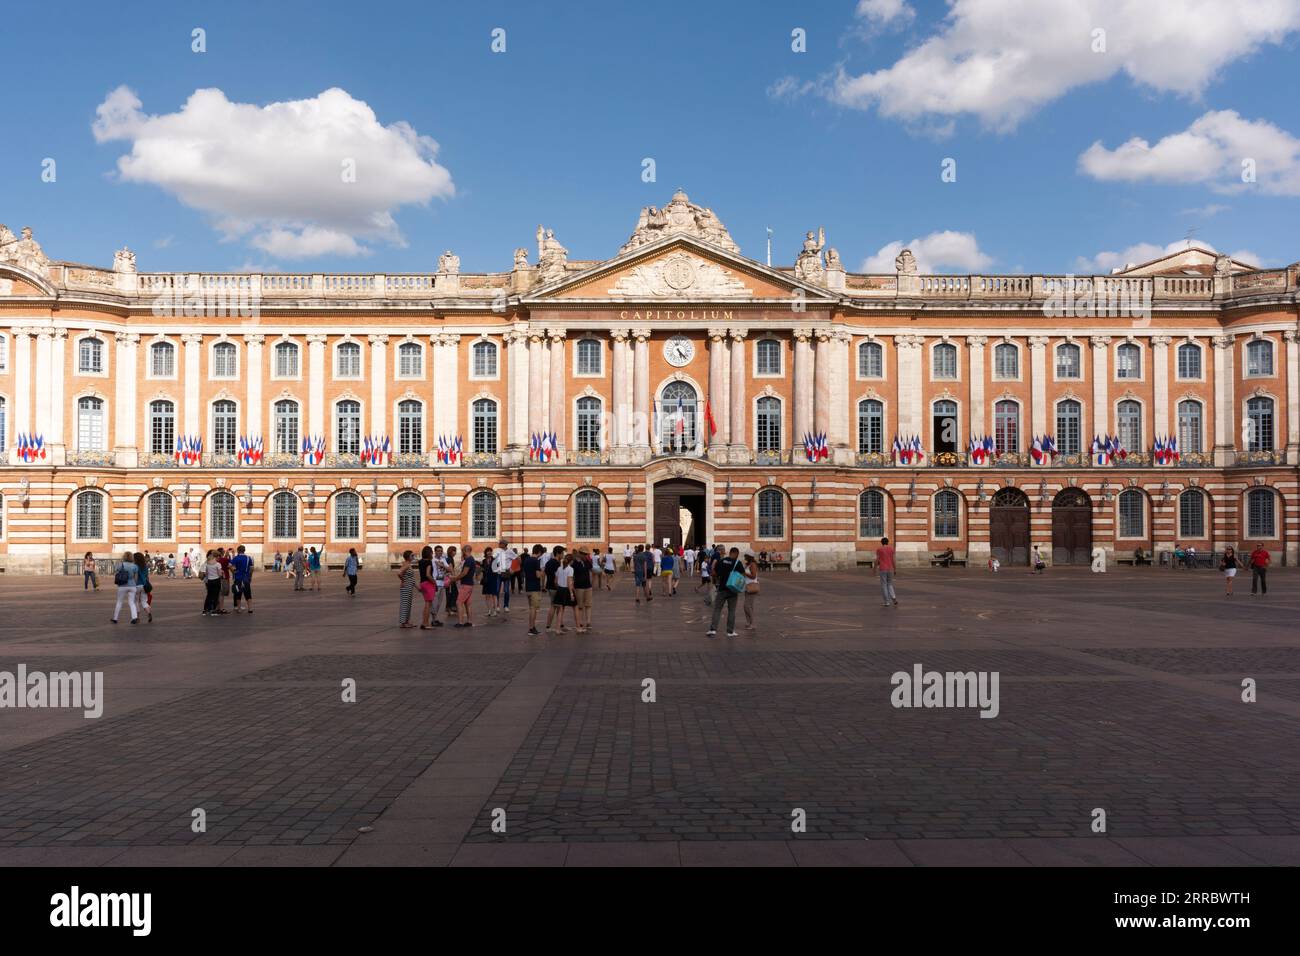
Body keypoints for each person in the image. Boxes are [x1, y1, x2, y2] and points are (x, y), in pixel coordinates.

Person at [706, 547, 743, 638]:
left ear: (729, 553)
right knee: (732, 611)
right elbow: (742, 575)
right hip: (733, 590)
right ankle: (730, 631)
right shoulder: (737, 563)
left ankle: (713, 630)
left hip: (722, 588)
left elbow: (715, 573)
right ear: (736, 554)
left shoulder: (722, 561)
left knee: (717, 609)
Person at [111, 552, 139, 624]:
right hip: (132, 585)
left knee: (119, 602)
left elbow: (116, 572)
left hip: (122, 585)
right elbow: (136, 578)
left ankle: (115, 618)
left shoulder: (121, 565)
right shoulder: (135, 566)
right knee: (131, 602)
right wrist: (135, 585)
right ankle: (134, 617)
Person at [550, 554, 575, 633]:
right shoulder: (570, 569)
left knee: (560, 610)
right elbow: (569, 582)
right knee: (561, 610)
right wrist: (571, 593)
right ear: (571, 561)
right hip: (565, 590)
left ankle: (558, 628)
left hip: (559, 589)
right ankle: (558, 629)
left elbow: (555, 581)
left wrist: (558, 587)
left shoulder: (559, 568)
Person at [523, 544, 545, 636]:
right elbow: (538, 575)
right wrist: (543, 571)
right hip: (534, 587)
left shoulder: (526, 560)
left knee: (531, 608)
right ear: (539, 552)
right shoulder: (536, 561)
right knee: (534, 609)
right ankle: (531, 628)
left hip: (528, 586)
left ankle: (532, 627)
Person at [455, 545, 478, 628]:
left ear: (465, 551)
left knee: (459, 602)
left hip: (466, 584)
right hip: (470, 584)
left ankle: (460, 622)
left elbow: (464, 573)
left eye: (462, 551)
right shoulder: (472, 559)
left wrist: (455, 578)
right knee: (467, 603)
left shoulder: (468, 560)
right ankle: (469, 621)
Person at [572, 548, 593, 633]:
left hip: (588, 586)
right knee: (580, 606)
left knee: (588, 605)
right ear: (580, 554)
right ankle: (580, 622)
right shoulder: (575, 563)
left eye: (587, 554)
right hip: (579, 587)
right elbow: (573, 574)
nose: (586, 556)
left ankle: (588, 622)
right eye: (585, 554)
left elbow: (590, 568)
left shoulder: (587, 561)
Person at [418, 545, 439, 629]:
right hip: (428, 584)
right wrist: (435, 582)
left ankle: (424, 622)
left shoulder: (420, 561)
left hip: (422, 583)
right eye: (431, 552)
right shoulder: (428, 562)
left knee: (427, 603)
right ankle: (425, 623)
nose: (432, 554)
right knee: (428, 604)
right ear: (429, 553)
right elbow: (428, 574)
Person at [396, 550, 417, 628]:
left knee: (408, 604)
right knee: (405, 604)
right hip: (406, 587)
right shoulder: (407, 565)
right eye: (412, 556)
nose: (413, 557)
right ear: (408, 557)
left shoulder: (408, 564)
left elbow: (411, 578)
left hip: (409, 586)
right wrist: (403, 580)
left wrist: (417, 587)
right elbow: (399, 573)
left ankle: (407, 621)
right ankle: (403, 623)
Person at [230, 544, 254, 613]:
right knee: (248, 593)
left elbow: (229, 565)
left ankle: (239, 609)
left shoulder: (236, 558)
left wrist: (233, 572)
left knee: (238, 593)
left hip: (238, 578)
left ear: (238, 550)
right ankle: (250, 609)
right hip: (246, 578)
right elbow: (251, 568)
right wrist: (250, 576)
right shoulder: (248, 558)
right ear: (244, 550)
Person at [494, 540, 516, 613]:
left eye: (500, 543)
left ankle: (506, 606)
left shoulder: (510, 552)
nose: (499, 544)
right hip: (498, 572)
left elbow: (517, 559)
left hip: (506, 572)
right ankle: (497, 606)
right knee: (497, 590)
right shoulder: (497, 551)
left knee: (506, 591)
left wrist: (513, 568)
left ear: (505, 544)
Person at [876, 536, 898, 607]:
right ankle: (894, 598)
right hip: (890, 569)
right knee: (890, 584)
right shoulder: (891, 549)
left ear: (881, 543)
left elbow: (877, 560)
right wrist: (895, 569)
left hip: (882, 569)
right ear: (887, 542)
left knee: (884, 585)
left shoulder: (879, 549)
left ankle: (887, 602)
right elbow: (893, 560)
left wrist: (874, 569)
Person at [740, 553, 760, 630]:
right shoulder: (748, 564)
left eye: (745, 556)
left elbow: (754, 576)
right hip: (747, 586)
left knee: (747, 606)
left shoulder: (753, 565)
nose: (744, 557)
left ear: (749, 557)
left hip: (752, 586)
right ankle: (749, 622)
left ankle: (752, 623)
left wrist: (745, 573)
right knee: (749, 606)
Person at [133, 551, 153, 623]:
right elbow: (147, 577)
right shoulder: (145, 566)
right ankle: (149, 613)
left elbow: (135, 577)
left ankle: (137, 618)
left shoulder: (135, 566)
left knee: (136, 602)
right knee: (144, 601)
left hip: (137, 585)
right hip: (144, 585)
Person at [201, 550, 222, 617]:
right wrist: (222, 573)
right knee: (215, 596)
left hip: (209, 581)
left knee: (209, 596)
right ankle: (213, 611)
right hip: (216, 581)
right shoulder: (218, 564)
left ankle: (204, 610)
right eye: (219, 556)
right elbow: (219, 574)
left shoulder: (208, 563)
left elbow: (206, 574)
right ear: (217, 556)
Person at [481, 546, 500, 618]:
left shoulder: (495, 560)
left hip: (493, 579)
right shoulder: (483, 561)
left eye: (490, 551)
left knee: (494, 595)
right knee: (487, 596)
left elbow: (498, 569)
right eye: (488, 551)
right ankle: (489, 610)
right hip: (486, 580)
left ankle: (494, 610)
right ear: (485, 552)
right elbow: (482, 569)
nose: (489, 552)